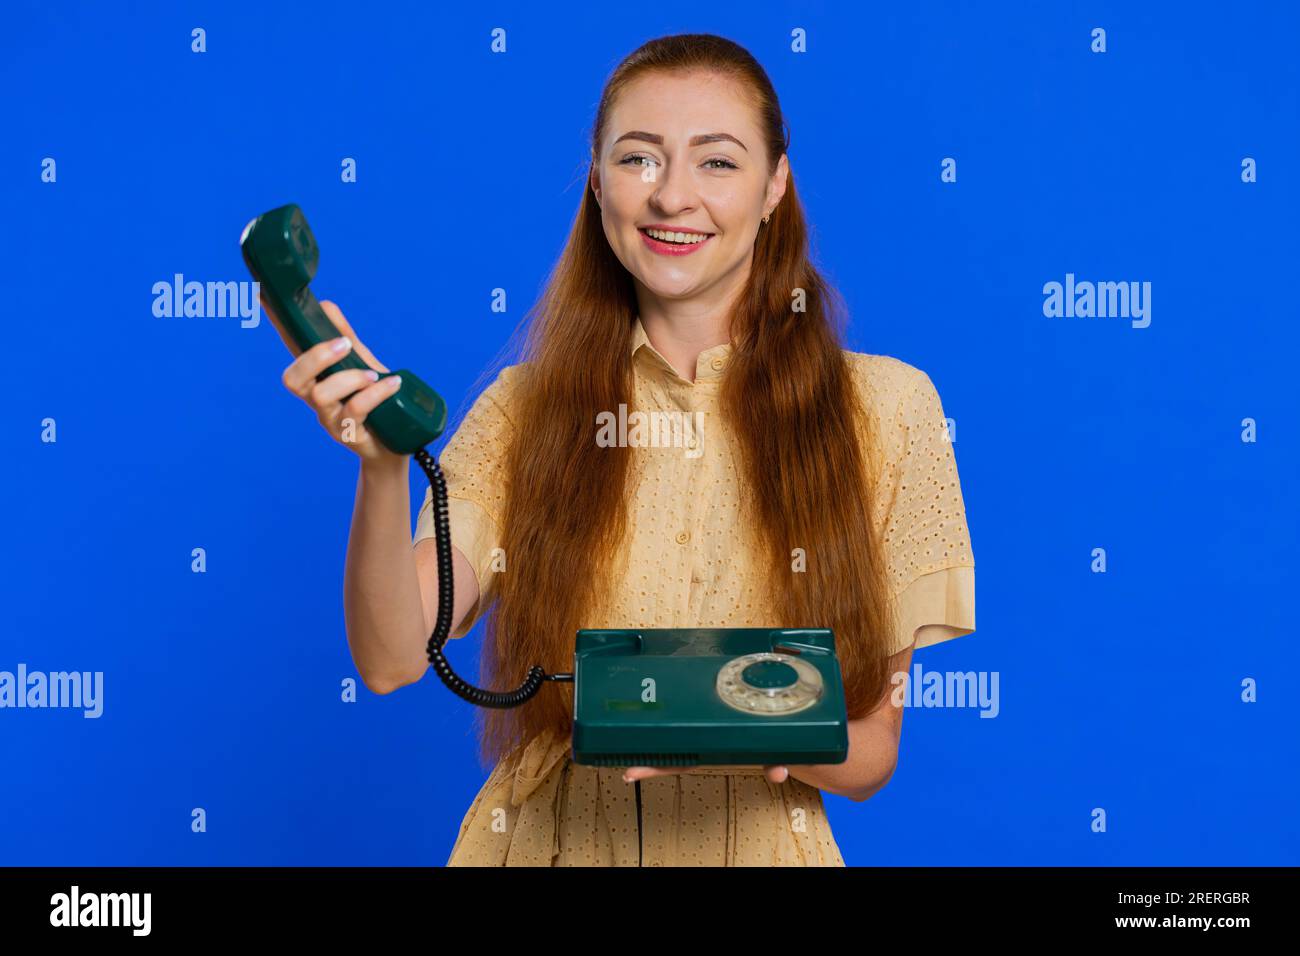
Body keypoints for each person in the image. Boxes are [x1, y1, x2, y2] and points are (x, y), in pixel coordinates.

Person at [278, 33, 976, 866]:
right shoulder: (524, 413)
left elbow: (872, 754)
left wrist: (717, 728)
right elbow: (392, 657)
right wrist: (382, 463)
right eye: (639, 159)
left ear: (774, 187)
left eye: (717, 162)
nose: (672, 196)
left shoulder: (889, 411)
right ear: (598, 180)